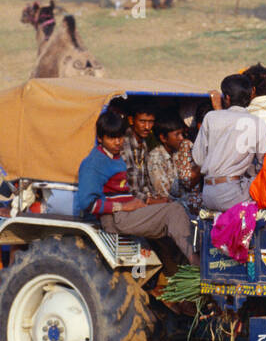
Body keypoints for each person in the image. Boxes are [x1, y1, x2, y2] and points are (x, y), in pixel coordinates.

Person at [73, 110, 199, 266]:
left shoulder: (117, 157)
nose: (118, 142)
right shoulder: (94, 163)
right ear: (100, 138)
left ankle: (172, 272)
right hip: (116, 218)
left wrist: (141, 202)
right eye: (112, 138)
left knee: (175, 210)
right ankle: (196, 262)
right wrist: (124, 206)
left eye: (120, 137)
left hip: (129, 212)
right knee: (174, 211)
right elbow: (88, 203)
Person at [192, 72, 266, 211]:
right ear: (251, 95)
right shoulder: (257, 122)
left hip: (208, 192)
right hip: (232, 193)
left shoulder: (211, 117)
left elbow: (198, 159)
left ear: (227, 97)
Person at [146, 111, 202, 211]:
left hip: (184, 199)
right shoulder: (155, 158)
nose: (181, 138)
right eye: (177, 135)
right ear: (163, 138)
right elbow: (164, 194)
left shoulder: (180, 150)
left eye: (182, 134)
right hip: (168, 205)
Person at [120, 103, 156, 199]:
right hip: (128, 201)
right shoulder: (123, 144)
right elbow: (126, 187)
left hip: (142, 200)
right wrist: (148, 201)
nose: (147, 127)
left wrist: (151, 197)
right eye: (142, 121)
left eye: (151, 122)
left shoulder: (143, 144)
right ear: (131, 120)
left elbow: (145, 181)